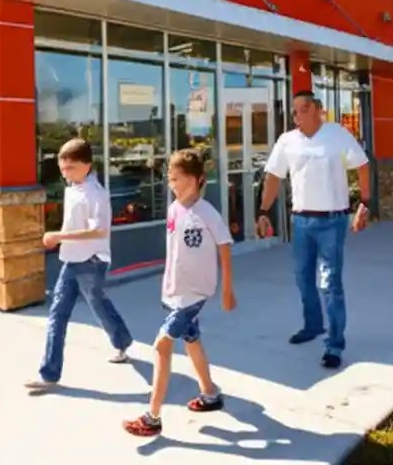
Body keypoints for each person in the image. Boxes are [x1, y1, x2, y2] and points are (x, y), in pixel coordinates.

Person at [123, 149, 236, 437]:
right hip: (178, 292)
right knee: (192, 340)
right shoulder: (174, 209)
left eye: (179, 180)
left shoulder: (207, 213)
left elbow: (224, 247)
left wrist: (226, 289)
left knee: (162, 345)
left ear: (198, 180)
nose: (173, 185)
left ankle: (152, 417)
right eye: (170, 179)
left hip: (195, 294)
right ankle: (210, 394)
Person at [256, 90, 371, 369]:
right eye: (293, 111)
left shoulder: (338, 135)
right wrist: (263, 211)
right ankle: (313, 326)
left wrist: (366, 203)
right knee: (302, 277)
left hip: (332, 221)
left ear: (318, 110)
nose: (296, 116)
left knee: (330, 283)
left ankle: (334, 345)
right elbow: (273, 177)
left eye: (302, 109)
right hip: (301, 222)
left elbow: (363, 165)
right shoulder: (287, 141)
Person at [26, 138, 133, 391]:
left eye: (71, 168)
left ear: (87, 165)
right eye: (63, 169)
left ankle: (121, 340)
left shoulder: (96, 194)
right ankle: (49, 374)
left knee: (97, 304)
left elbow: (98, 231)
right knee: (58, 316)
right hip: (70, 260)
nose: (66, 173)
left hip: (91, 262)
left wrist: (59, 237)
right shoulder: (72, 188)